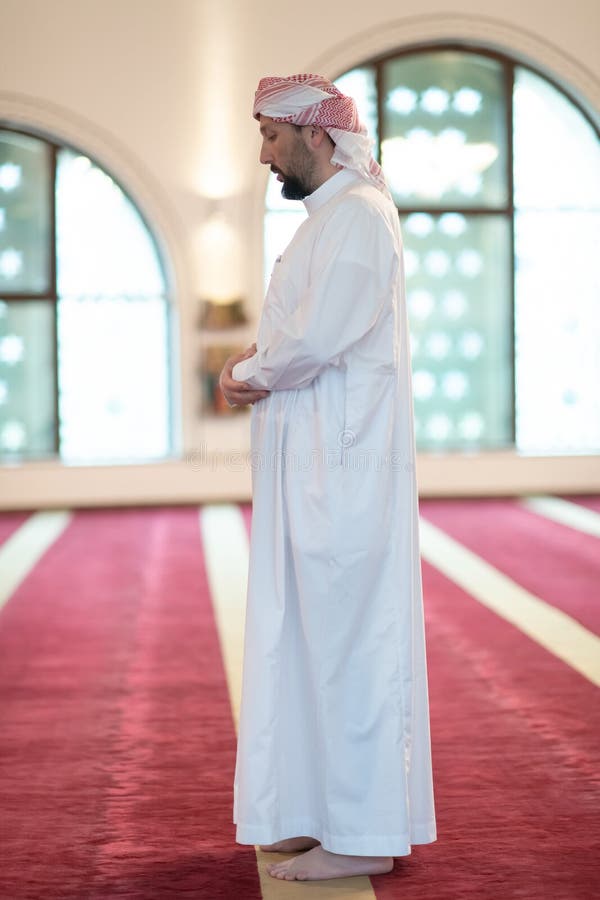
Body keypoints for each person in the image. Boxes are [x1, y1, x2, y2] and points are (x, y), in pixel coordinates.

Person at [219, 73, 437, 883]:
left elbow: (315, 341)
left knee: (348, 643)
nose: (266, 157)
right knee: (306, 641)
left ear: (318, 133)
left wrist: (246, 372)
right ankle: (316, 814)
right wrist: (260, 364)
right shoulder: (331, 221)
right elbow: (302, 338)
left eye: (272, 137)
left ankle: (364, 832)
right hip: (313, 473)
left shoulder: (360, 217)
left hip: (343, 477)